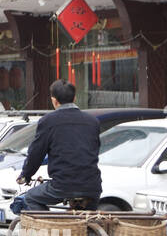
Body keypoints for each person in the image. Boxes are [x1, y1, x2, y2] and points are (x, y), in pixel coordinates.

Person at [10, 80, 101, 215]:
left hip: (62, 185)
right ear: (74, 98)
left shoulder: (48, 121)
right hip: (92, 186)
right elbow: (93, 149)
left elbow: (36, 153)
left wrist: (26, 175)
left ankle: (49, 229)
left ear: (54, 100)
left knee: (30, 199)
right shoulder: (92, 121)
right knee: (87, 220)